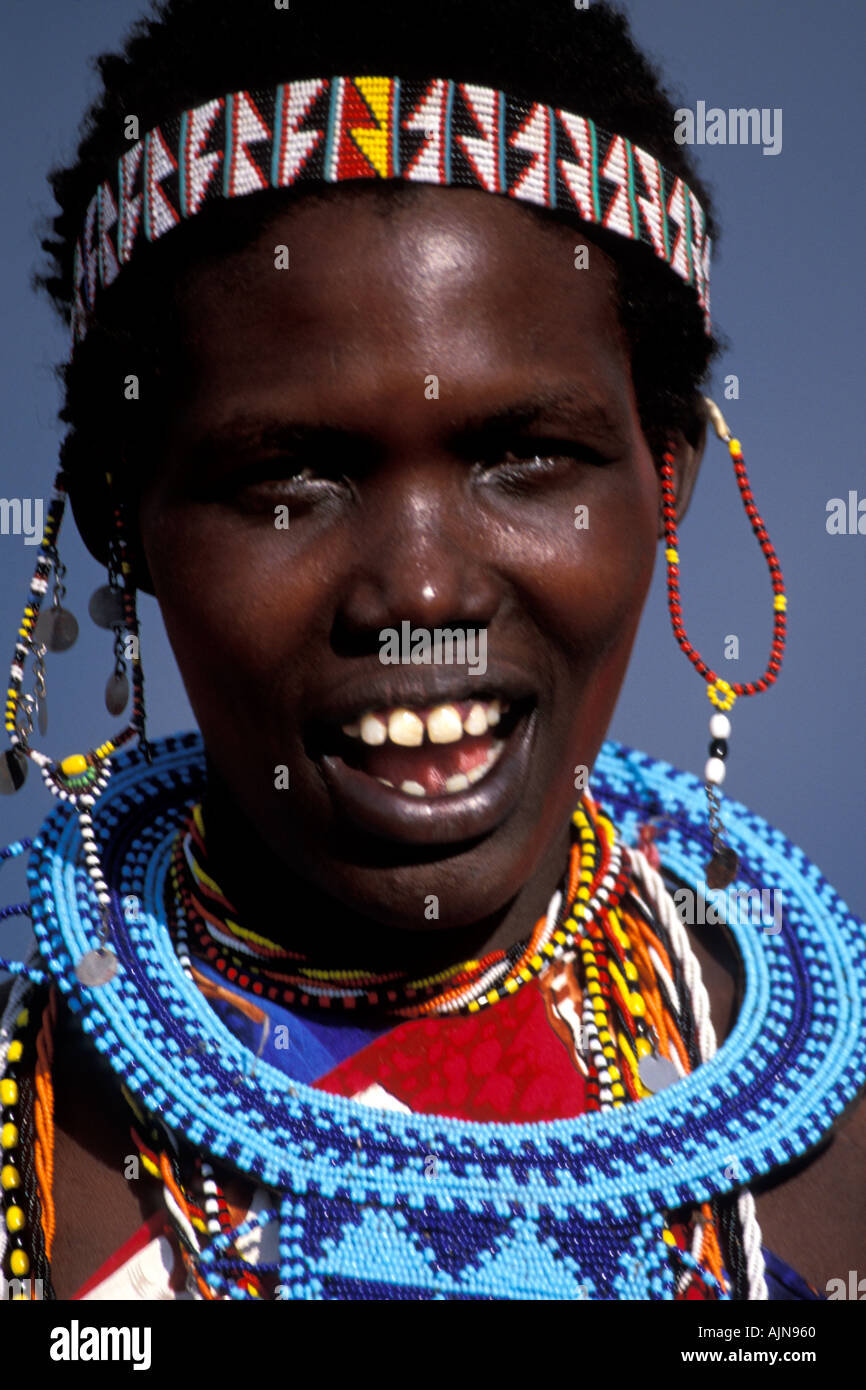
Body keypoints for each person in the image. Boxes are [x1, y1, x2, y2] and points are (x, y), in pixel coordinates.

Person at [1, 0, 863, 1302]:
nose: (415, 587)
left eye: (524, 456)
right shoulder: (47, 1161)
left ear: (666, 476)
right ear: (126, 521)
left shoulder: (833, 1162)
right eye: (288, 477)